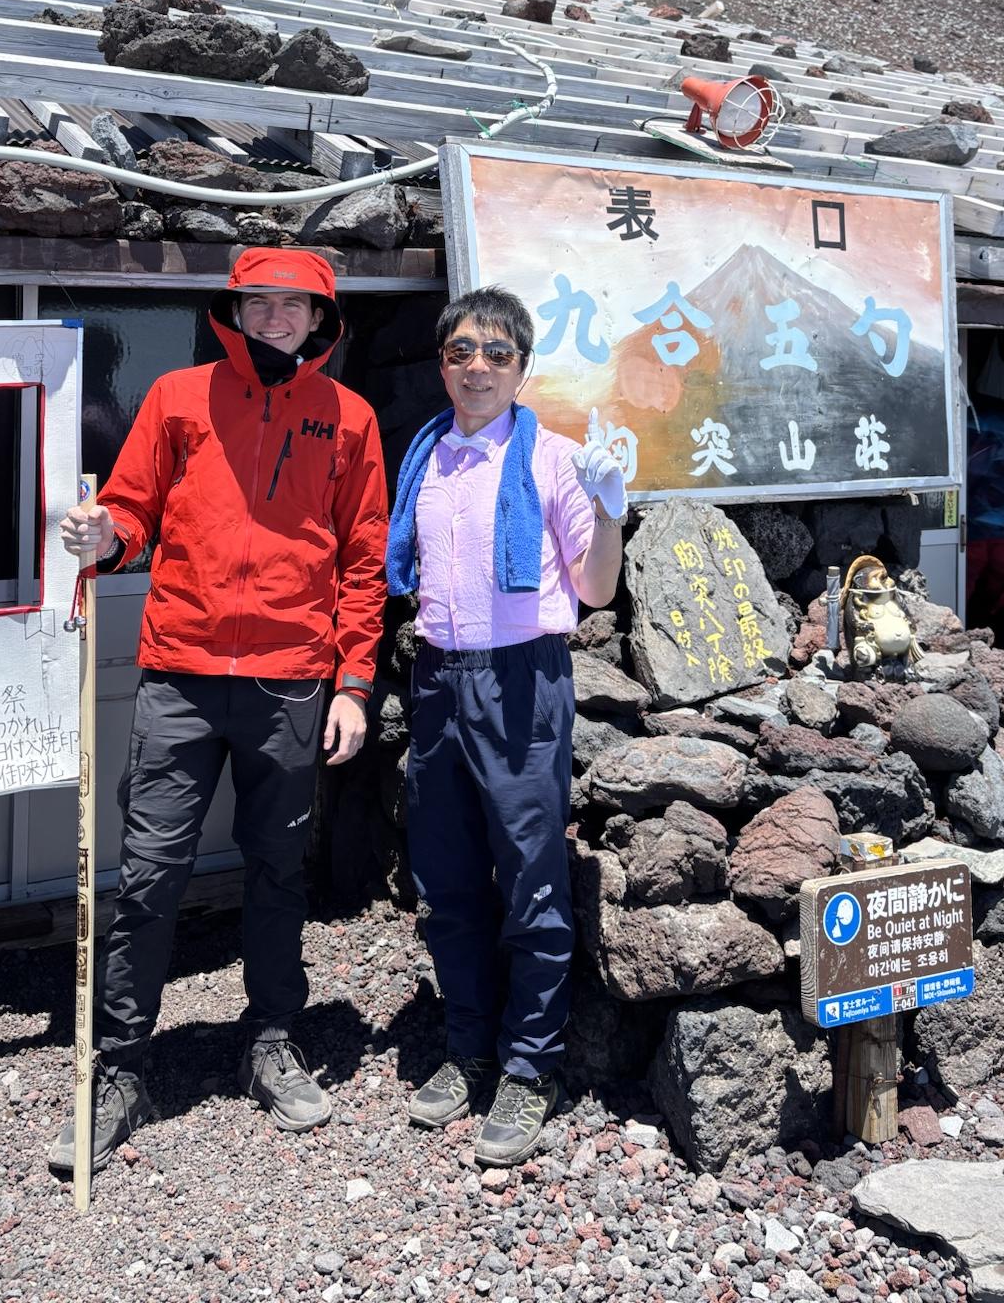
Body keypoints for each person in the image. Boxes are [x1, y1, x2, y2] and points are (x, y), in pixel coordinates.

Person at [49, 249, 388, 1173]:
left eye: (296, 306)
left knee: (279, 870)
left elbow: (363, 562)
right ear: (231, 309)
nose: (277, 318)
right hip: (181, 672)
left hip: (291, 679)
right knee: (151, 871)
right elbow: (131, 512)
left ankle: (272, 1040)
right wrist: (102, 534)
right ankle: (119, 1066)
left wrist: (354, 683)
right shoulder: (177, 397)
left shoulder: (348, 419)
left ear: (321, 320)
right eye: (260, 302)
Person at [387, 286, 625, 1166]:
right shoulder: (426, 458)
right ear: (442, 364)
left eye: (496, 353)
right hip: (440, 676)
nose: (477, 367)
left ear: (522, 368)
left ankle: (530, 1067)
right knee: (445, 877)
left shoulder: (553, 460)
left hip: (523, 679)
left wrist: (609, 511)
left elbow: (595, 589)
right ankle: (467, 1048)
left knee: (530, 877)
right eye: (460, 352)